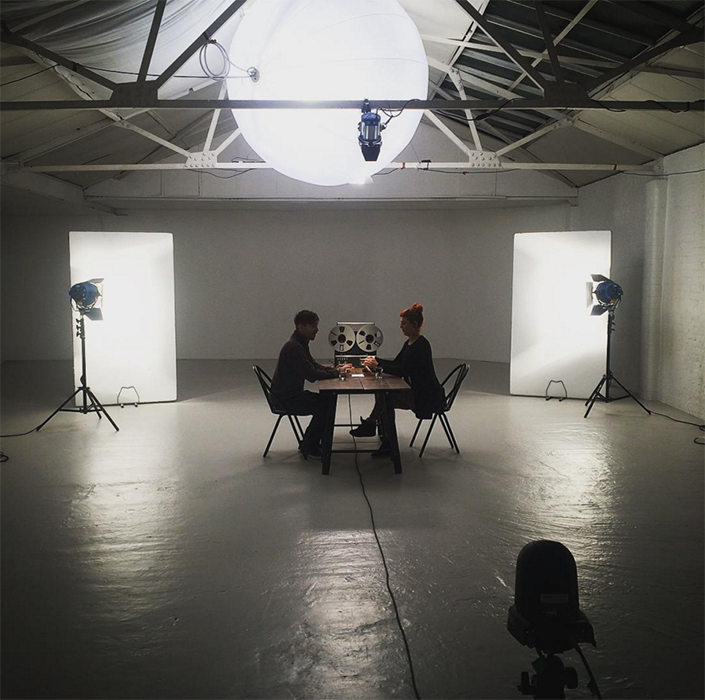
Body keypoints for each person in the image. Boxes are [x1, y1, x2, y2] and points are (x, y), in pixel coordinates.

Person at [351, 303, 445, 458]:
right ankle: (382, 435)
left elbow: (403, 370)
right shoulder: (409, 343)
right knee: (383, 397)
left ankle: (379, 433)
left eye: (404, 323)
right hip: (418, 391)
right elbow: (397, 363)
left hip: (426, 397)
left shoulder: (421, 345)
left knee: (385, 398)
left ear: (414, 324)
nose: (400, 327)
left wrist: (378, 364)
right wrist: (375, 361)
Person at [271, 310, 352, 460]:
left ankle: (310, 443)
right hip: (286, 399)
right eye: (313, 326)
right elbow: (311, 375)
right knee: (326, 406)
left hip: (290, 395)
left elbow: (312, 365)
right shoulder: (294, 347)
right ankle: (310, 446)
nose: (317, 329)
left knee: (327, 401)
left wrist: (334, 369)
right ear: (301, 327)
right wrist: (337, 373)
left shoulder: (300, 343)